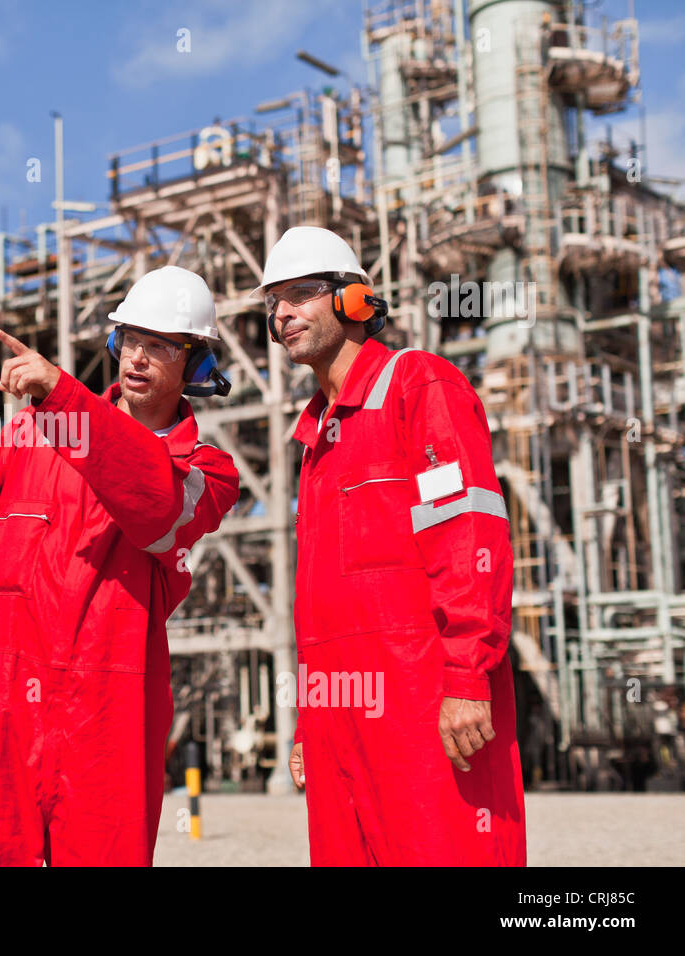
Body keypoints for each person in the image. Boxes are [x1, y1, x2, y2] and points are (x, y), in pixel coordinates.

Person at [0, 266, 239, 866]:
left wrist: (64, 394)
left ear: (195, 365)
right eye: (130, 341)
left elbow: (155, 507)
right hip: (0, 703)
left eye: (161, 345)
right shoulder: (28, 439)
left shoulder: (206, 473)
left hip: (109, 714)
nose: (137, 359)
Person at [259, 226, 526, 865]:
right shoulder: (316, 436)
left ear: (354, 300)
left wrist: (467, 675)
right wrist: (310, 718)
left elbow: (469, 531)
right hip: (338, 717)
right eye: (274, 303)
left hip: (423, 705)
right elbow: (320, 604)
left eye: (300, 294)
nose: (283, 314)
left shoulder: (418, 385)